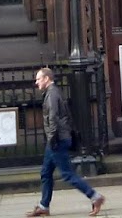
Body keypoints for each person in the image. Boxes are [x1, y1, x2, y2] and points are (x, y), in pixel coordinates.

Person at [25, 68, 104, 218]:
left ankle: (95, 196)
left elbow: (53, 117)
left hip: (57, 140)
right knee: (46, 173)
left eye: (38, 79)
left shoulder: (52, 94)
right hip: (56, 139)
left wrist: (52, 137)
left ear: (47, 79)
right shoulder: (52, 92)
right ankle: (43, 206)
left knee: (67, 174)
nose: (36, 82)